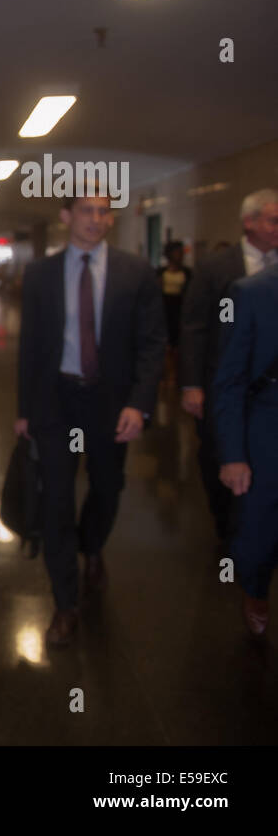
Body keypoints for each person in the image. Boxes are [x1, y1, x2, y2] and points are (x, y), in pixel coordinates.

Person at [14, 194, 166, 647]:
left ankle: (93, 545)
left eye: (104, 212)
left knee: (107, 487)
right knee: (56, 501)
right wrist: (24, 411)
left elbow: (153, 344)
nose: (96, 220)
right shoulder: (40, 273)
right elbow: (30, 345)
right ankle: (65, 603)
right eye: (86, 211)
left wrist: (138, 404)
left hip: (110, 402)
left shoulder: (135, 272)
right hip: (56, 401)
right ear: (66, 217)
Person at [179, 188, 278, 540]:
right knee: (218, 456)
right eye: (273, 220)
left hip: (267, 390)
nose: (277, 227)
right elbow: (194, 327)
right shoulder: (216, 268)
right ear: (248, 223)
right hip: (221, 385)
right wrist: (192, 384)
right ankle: (227, 529)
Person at [214, 260, 278, 636]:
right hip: (266, 432)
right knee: (259, 534)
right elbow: (230, 380)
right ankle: (255, 591)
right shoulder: (250, 292)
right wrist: (233, 454)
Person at [158, 240, 192, 350]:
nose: (179, 255)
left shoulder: (188, 273)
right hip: (165, 308)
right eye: (176, 252)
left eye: (181, 252)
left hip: (180, 308)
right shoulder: (160, 272)